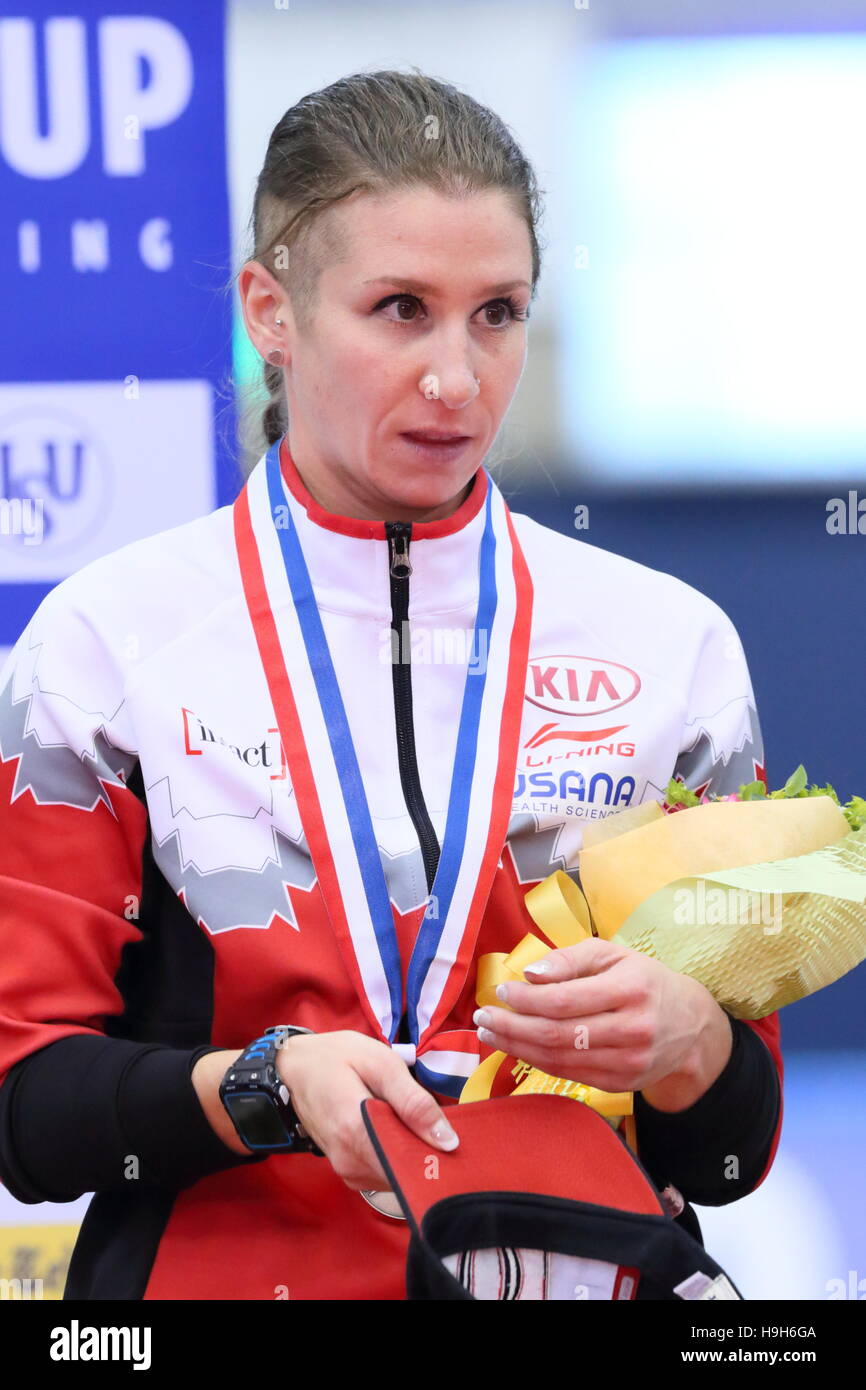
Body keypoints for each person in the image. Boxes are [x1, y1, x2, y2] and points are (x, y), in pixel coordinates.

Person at [0, 69, 781, 1301]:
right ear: (271, 307)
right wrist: (263, 1085)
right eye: (401, 308)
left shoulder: (671, 644)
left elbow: (725, 1155)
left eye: (497, 313)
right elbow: (26, 1110)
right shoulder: (106, 639)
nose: (457, 380)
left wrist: (690, 1049)